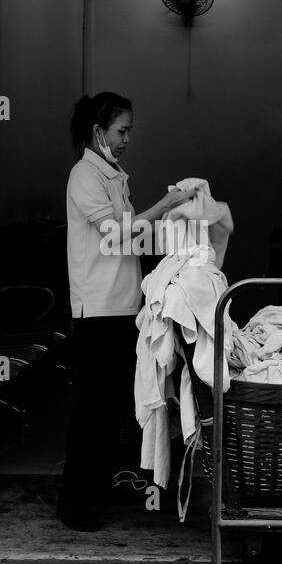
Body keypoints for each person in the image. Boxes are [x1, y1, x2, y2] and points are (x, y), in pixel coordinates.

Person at [58, 92, 190, 530]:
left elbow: (132, 240)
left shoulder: (112, 175)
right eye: (122, 130)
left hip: (121, 307)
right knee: (92, 410)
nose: (128, 138)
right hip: (95, 309)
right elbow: (116, 235)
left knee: (112, 406)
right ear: (98, 132)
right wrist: (164, 207)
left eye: (129, 130)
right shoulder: (85, 176)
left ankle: (94, 489)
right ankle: (73, 504)